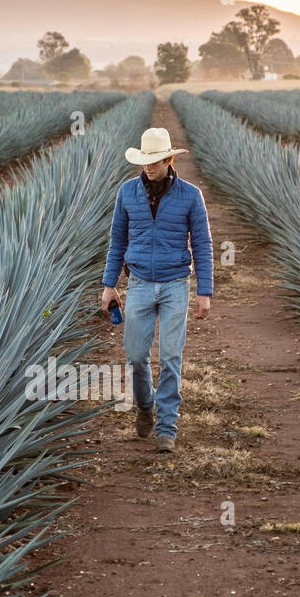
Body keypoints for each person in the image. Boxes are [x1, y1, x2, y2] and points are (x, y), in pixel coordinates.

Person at [101, 127, 213, 453]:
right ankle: (145, 405)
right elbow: (116, 242)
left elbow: (203, 244)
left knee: (171, 357)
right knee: (137, 356)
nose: (148, 167)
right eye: (144, 161)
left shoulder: (191, 195)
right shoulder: (127, 193)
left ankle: (167, 426)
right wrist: (109, 286)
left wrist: (203, 291)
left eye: (154, 161)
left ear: (168, 159)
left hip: (176, 283)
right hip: (138, 284)